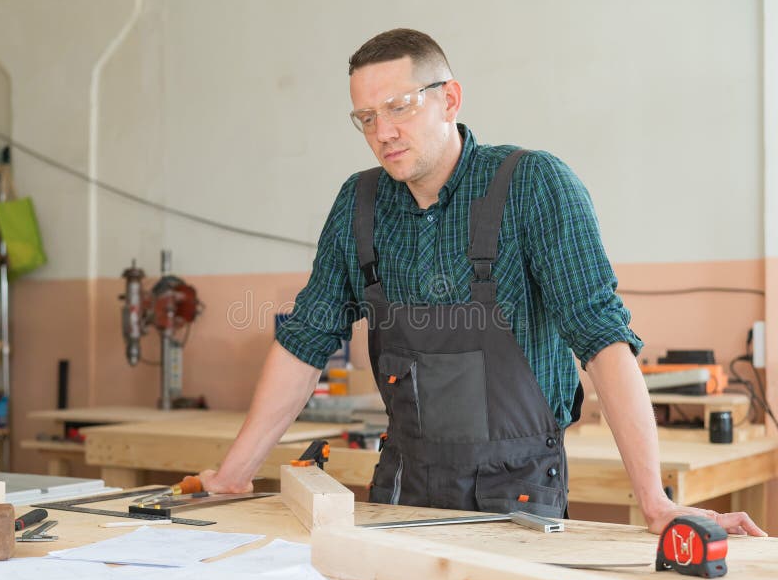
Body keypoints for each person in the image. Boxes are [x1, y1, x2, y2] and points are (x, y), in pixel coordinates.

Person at [198, 28, 765, 536]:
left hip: (516, 499)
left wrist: (654, 501)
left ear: (450, 99)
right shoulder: (359, 203)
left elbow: (602, 340)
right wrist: (233, 475)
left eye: (398, 107)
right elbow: (306, 341)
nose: (383, 132)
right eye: (365, 118)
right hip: (400, 496)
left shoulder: (532, 185)